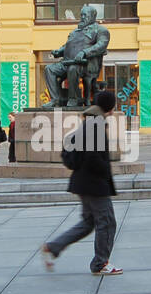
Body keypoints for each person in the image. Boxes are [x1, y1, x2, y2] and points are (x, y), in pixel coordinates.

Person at [41, 89, 122, 275]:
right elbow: (93, 156)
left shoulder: (89, 121)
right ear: (110, 107)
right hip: (94, 184)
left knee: (88, 223)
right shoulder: (96, 124)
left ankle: (53, 247)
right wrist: (105, 171)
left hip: (83, 182)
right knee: (107, 222)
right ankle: (100, 263)